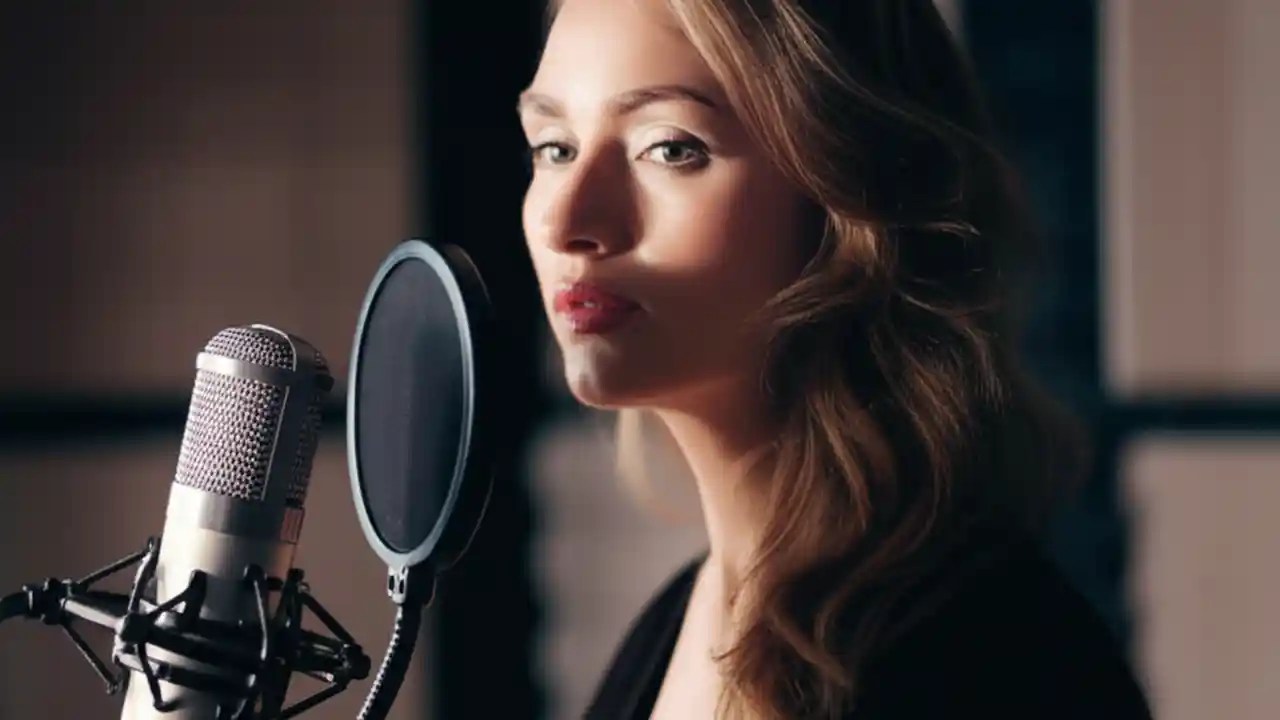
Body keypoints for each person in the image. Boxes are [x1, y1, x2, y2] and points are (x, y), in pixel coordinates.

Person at [516, 0, 1153, 718]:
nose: (569, 223)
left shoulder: (996, 660)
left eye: (670, 148)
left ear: (846, 192)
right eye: (554, 147)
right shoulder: (675, 624)